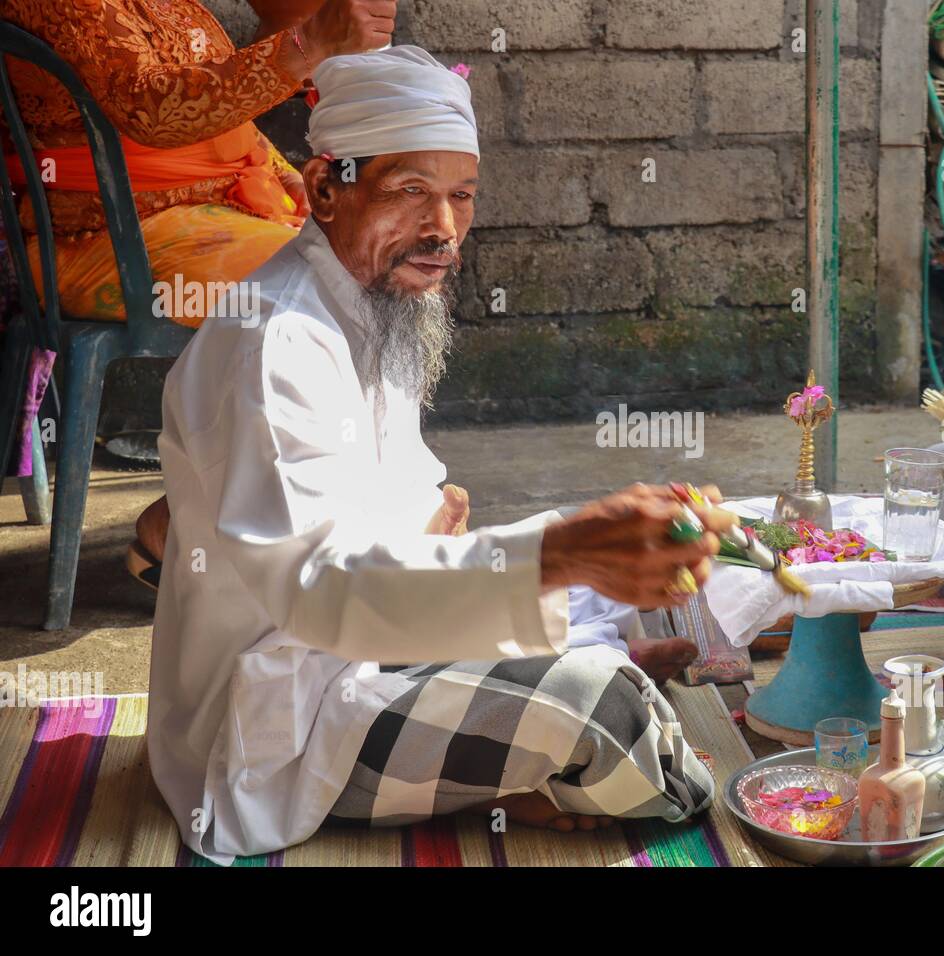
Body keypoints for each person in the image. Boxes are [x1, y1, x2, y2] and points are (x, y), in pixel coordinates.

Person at [148, 46, 719, 864]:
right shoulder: (279, 341)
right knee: (612, 711)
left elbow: (408, 522)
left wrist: (465, 532)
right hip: (281, 725)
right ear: (324, 189)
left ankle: (519, 741)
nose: (444, 229)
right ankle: (522, 752)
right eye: (411, 191)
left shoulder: (380, 301)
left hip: (379, 652)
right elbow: (323, 588)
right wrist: (557, 551)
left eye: (460, 197)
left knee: (640, 594)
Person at [0, 0, 394, 560]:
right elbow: (154, 110)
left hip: (204, 215)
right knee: (321, 288)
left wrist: (293, 182)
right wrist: (307, 43)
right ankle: (254, 536)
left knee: (376, 257)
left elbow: (230, 132)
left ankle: (265, 522)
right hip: (103, 238)